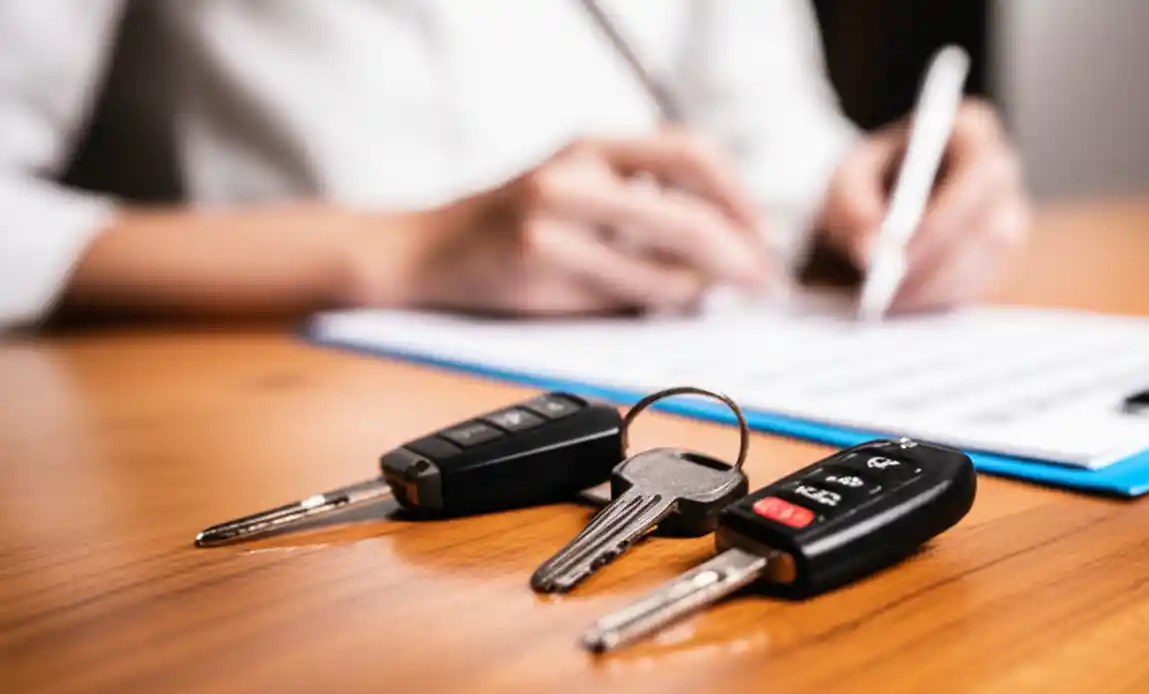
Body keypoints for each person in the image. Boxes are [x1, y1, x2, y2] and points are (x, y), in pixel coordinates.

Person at [0, 1, 1029, 328]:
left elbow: (765, 126)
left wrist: (866, 194)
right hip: (270, 399)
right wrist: (402, 251)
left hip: (682, 368)